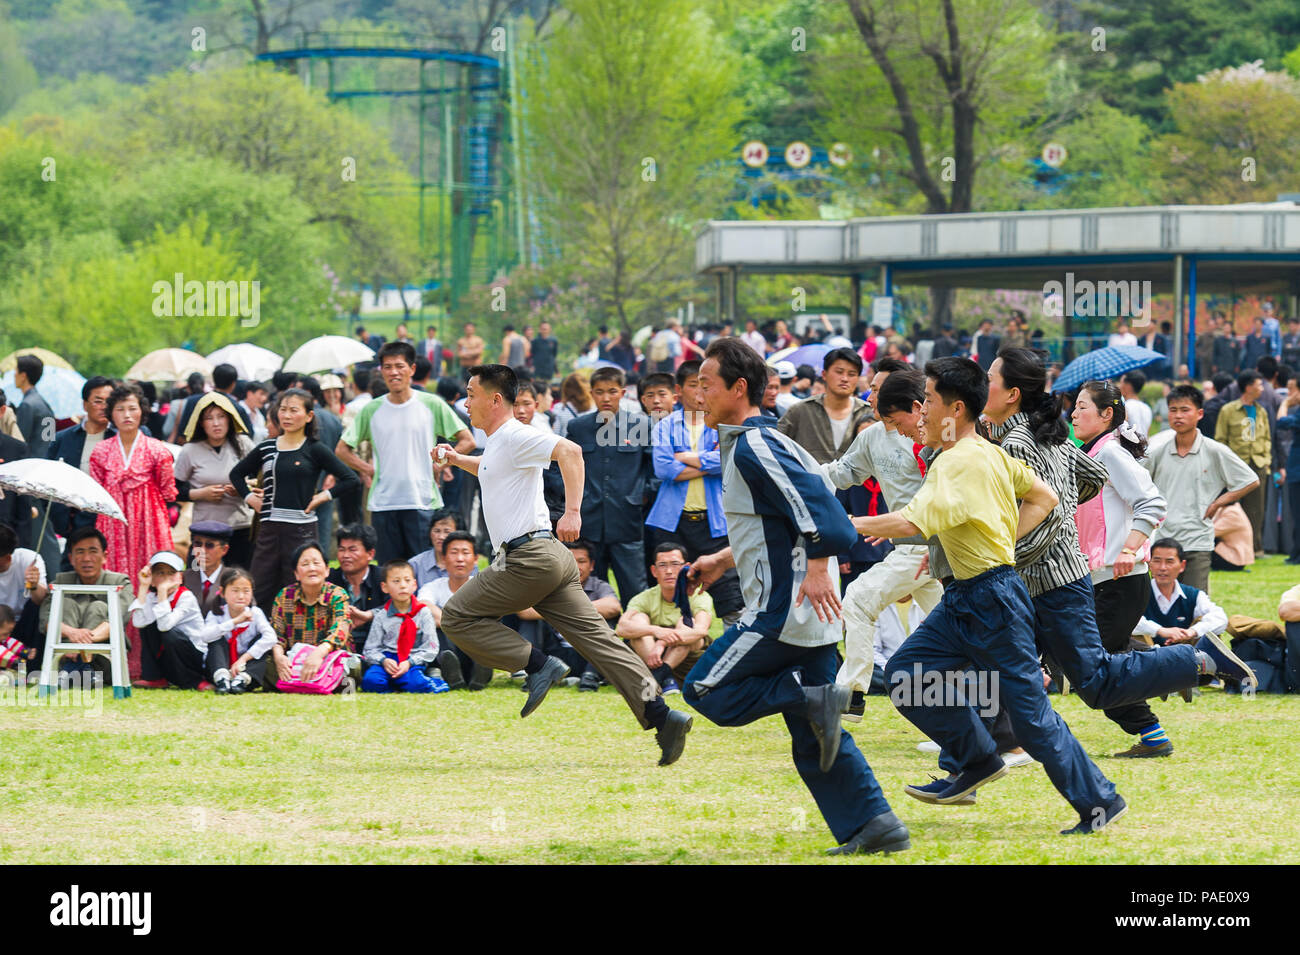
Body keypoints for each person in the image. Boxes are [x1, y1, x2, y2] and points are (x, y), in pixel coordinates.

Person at [853, 358, 1131, 836]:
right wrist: (1006, 540)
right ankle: (978, 761)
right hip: (966, 596)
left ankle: (1100, 801)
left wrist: (842, 526)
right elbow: (1043, 497)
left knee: (1031, 718)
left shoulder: (959, 461)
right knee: (905, 673)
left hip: (992, 599)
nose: (921, 414)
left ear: (956, 409)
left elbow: (911, 524)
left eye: (931, 402)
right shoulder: (987, 451)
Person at [680, 337, 908, 856]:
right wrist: (721, 559)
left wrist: (822, 563)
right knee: (815, 736)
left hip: (779, 615)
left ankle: (807, 695)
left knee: (703, 690)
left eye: (707, 383)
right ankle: (874, 824)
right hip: (808, 617)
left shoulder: (759, 444)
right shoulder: (753, 442)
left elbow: (824, 513)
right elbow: (778, 521)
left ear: (739, 389)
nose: (698, 393)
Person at [435, 364, 691, 765]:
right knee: (601, 643)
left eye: (471, 394)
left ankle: (539, 664)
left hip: (529, 559)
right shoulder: (500, 444)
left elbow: (569, 452)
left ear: (494, 399)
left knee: (456, 617)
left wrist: (573, 512)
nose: (465, 402)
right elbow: (489, 468)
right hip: (548, 558)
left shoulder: (517, 435)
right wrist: (456, 457)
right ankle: (662, 714)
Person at [820, 367, 941, 720]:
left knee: (857, 598)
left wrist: (877, 525)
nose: (870, 395)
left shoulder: (937, 436)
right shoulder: (872, 436)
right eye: (871, 388)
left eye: (878, 389)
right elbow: (840, 474)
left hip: (933, 545)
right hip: (910, 547)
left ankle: (850, 695)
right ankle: (980, 719)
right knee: (951, 630)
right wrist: (798, 478)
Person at [336, 342, 473, 565]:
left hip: (422, 501)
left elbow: (467, 440)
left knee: (422, 569)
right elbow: (342, 449)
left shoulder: (432, 404)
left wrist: (441, 465)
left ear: (412, 369)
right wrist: (368, 468)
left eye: (399, 366)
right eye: (387, 367)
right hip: (383, 502)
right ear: (381, 371)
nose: (394, 372)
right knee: (389, 573)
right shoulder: (371, 409)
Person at [230, 388, 360, 612]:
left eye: (293, 410)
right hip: (269, 530)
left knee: (298, 588)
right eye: (282, 410)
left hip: (302, 531)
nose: (287, 416)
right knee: (260, 586)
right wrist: (251, 499)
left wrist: (322, 497)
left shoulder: (314, 449)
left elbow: (350, 479)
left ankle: (297, 641)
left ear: (309, 416)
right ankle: (259, 638)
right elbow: (236, 475)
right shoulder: (267, 447)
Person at [88, 383, 177, 681]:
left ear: (143, 411)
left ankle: (152, 668)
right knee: (116, 587)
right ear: (110, 414)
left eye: (132, 408)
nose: (127, 415)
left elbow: (168, 492)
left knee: (151, 586)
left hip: (149, 523)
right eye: (120, 409)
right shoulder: (100, 451)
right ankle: (113, 666)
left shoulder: (157, 450)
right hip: (113, 524)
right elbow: (97, 493)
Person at [645, 360, 743, 625]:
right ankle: (675, 652)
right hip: (672, 522)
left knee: (730, 593)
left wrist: (688, 457)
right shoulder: (666, 425)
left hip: (716, 523)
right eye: (693, 385)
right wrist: (709, 462)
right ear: (679, 390)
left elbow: (729, 461)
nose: (700, 392)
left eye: (706, 385)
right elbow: (664, 468)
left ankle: (734, 653)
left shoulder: (723, 424)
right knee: (672, 587)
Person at [1144, 385, 1260, 591]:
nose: (1178, 416)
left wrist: (1219, 502)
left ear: (1199, 414)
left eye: (1184, 410)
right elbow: (1138, 484)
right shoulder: (1157, 452)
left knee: (1195, 602)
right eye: (1173, 410)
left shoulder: (1214, 450)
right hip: (1163, 540)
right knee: (1161, 604)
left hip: (1197, 540)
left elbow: (1250, 480)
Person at [564, 367, 651, 602]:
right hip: (589, 523)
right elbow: (560, 467)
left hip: (628, 521)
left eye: (612, 391)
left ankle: (636, 636)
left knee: (635, 591)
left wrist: (642, 494)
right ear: (591, 393)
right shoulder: (577, 428)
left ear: (622, 393)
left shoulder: (641, 425)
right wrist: (574, 500)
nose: (606, 398)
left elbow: (654, 469)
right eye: (599, 392)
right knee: (588, 592)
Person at [615, 542, 712, 695]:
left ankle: (658, 676)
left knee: (687, 623)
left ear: (686, 567)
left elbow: (701, 630)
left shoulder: (698, 595)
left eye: (675, 564)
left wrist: (662, 641)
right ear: (654, 571)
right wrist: (656, 631)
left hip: (687, 660)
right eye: (662, 565)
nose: (669, 571)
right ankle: (664, 678)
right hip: (650, 657)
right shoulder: (644, 597)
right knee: (638, 620)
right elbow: (621, 628)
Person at [37, 526, 133, 677]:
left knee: (98, 607)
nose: (87, 558)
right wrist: (72, 633)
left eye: (93, 551)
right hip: (66, 658)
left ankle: (84, 667)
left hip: (102, 661)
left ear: (104, 556)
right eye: (80, 552)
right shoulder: (61, 581)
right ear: (71, 558)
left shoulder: (119, 582)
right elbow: (46, 621)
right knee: (66, 604)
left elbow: (117, 619)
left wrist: (81, 644)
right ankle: (74, 668)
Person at [174, 395, 255, 568]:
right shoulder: (190, 451)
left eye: (221, 417)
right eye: (209, 418)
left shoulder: (243, 444)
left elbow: (262, 479)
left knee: (239, 580)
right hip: (204, 530)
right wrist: (202, 494)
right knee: (199, 579)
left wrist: (243, 488)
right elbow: (174, 489)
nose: (216, 423)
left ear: (230, 418)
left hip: (240, 527)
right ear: (201, 423)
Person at [418, 530, 494, 691]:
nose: (460, 559)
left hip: (476, 646)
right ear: (444, 559)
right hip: (448, 650)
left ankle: (480, 673)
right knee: (433, 625)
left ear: (475, 559)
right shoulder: (433, 587)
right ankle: (453, 674)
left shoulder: (485, 586)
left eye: (465, 553)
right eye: (454, 553)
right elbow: (423, 606)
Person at [269, 542, 353, 686]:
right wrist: (279, 657)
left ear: (327, 570)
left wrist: (319, 654)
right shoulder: (284, 596)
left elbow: (340, 629)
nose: (312, 568)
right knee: (263, 664)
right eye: (305, 564)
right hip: (295, 661)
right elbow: (276, 635)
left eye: (316, 563)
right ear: (296, 574)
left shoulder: (337, 594)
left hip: (330, 658)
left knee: (351, 668)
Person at [129, 550, 216, 691]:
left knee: (169, 633)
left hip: (193, 658)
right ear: (152, 577)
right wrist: (143, 586)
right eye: (160, 573)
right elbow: (138, 623)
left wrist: (162, 592)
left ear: (180, 578)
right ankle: (155, 677)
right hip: (171, 657)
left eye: (171, 573)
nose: (165, 578)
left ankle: (194, 681)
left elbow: (165, 626)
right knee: (147, 625)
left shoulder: (186, 597)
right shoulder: (151, 597)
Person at [47, 376, 115, 547]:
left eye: (109, 401)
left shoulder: (120, 438)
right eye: (98, 401)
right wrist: (59, 517)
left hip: (110, 519)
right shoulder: (63, 438)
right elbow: (48, 478)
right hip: (73, 521)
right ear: (85, 404)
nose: (104, 407)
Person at [360, 561, 445, 694]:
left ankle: (432, 678)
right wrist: (384, 661)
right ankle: (395, 684)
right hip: (387, 660)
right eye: (396, 581)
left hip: (411, 659)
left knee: (417, 685)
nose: (403, 585)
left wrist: (410, 662)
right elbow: (370, 648)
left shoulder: (423, 613)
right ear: (384, 587)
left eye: (407, 580)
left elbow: (431, 647)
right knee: (371, 681)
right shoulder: (382, 615)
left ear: (414, 585)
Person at [1215, 370, 1272, 554]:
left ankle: (1255, 548)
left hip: (1258, 464)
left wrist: (1266, 460)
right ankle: (1231, 547)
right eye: (1259, 384)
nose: (1262, 389)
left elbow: (1267, 438)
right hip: (1235, 466)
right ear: (1248, 387)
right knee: (1232, 508)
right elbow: (1221, 439)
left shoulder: (1261, 410)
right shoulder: (1228, 410)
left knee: (1257, 509)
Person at [1133, 539, 1229, 647]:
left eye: (1169, 562)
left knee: (1208, 626)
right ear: (1149, 564)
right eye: (1157, 561)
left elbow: (1220, 618)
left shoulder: (1193, 595)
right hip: (1145, 656)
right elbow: (1124, 621)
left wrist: (1191, 632)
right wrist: (1160, 630)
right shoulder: (1139, 593)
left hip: (1185, 656)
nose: (1162, 568)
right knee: (1132, 626)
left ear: (1182, 565)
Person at [202, 567, 277, 694]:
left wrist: (243, 659)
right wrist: (235, 621)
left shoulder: (256, 613)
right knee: (216, 638)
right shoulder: (216, 614)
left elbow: (271, 637)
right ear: (222, 592)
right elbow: (205, 636)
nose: (241, 596)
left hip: (245, 669)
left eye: (246, 591)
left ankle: (241, 680)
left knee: (261, 642)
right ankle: (222, 679)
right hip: (219, 668)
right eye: (235, 591)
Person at [326, 523, 386, 653]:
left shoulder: (383, 577)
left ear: (370, 554)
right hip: (337, 647)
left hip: (379, 648)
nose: (345, 555)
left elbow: (400, 605)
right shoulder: (330, 579)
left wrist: (369, 615)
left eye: (352, 550)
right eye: (342, 549)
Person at [172, 363, 253, 442]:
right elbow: (247, 435)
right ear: (233, 383)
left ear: (214, 380)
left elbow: (182, 436)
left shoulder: (194, 401)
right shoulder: (236, 407)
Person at [409, 508, 472, 587]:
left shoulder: (468, 563)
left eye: (447, 531)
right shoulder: (415, 565)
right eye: (437, 531)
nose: (441, 537)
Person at [182, 520, 233, 618]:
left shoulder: (235, 579)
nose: (202, 551)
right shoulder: (182, 578)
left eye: (210, 545)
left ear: (224, 549)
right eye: (198, 544)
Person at [13, 354, 55, 459]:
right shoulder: (44, 404)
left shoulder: (27, 405)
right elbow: (49, 440)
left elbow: (19, 442)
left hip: (29, 464)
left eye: (16, 371)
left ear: (23, 376)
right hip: (45, 461)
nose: (14, 375)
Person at [549, 373, 593, 437]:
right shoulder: (593, 408)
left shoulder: (560, 408)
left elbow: (555, 434)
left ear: (565, 389)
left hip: (567, 446)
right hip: (587, 446)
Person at [1120, 371, 1152, 436]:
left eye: (1121, 383)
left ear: (1128, 386)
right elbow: (1147, 432)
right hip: (1144, 445)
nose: (1119, 386)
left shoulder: (1125, 407)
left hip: (1128, 445)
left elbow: (1121, 431)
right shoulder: (1147, 408)